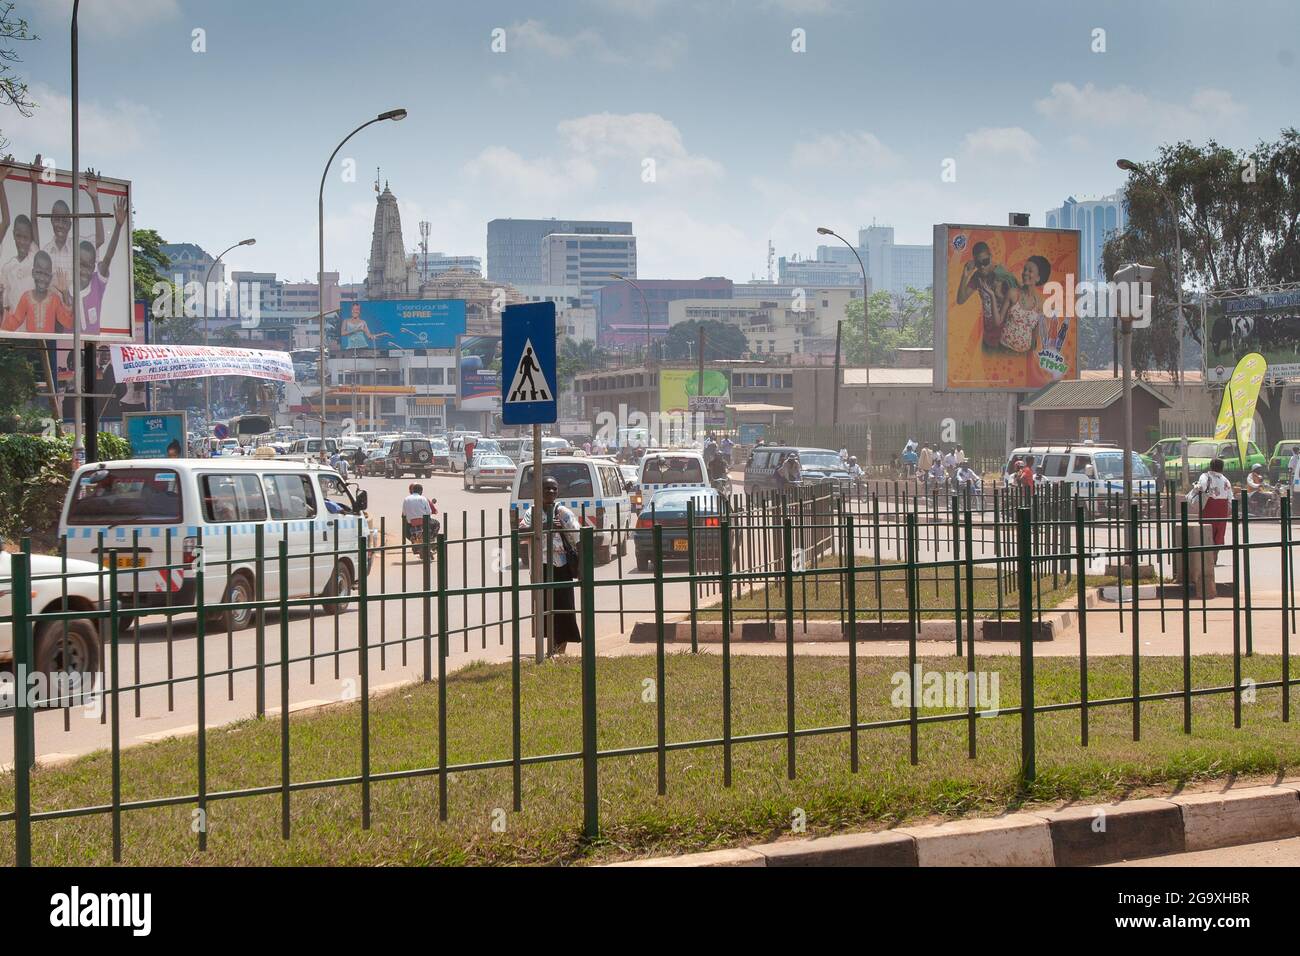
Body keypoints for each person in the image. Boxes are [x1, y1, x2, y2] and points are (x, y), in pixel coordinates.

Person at [518, 477, 582, 655]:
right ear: (539, 492)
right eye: (547, 489)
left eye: (554, 489)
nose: (551, 492)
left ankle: (560, 651)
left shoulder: (562, 512)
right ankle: (549, 650)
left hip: (561, 567)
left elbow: (578, 537)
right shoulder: (532, 512)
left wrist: (582, 566)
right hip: (541, 567)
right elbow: (520, 533)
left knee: (564, 609)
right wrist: (545, 526)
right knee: (545, 609)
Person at [1188, 458, 1233, 552]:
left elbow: (1202, 487)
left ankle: (1208, 556)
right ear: (1222, 468)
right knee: (1219, 533)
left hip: (1209, 506)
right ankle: (1215, 555)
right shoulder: (1226, 480)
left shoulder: (1205, 476)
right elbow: (1230, 497)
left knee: (1207, 530)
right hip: (1222, 509)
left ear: (1211, 466)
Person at [402, 482, 435, 556]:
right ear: (421, 491)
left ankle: (416, 543)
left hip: (411, 523)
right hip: (423, 522)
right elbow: (429, 512)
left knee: (406, 532)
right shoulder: (423, 498)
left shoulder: (406, 499)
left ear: (412, 490)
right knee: (436, 524)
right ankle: (432, 541)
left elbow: (404, 513)